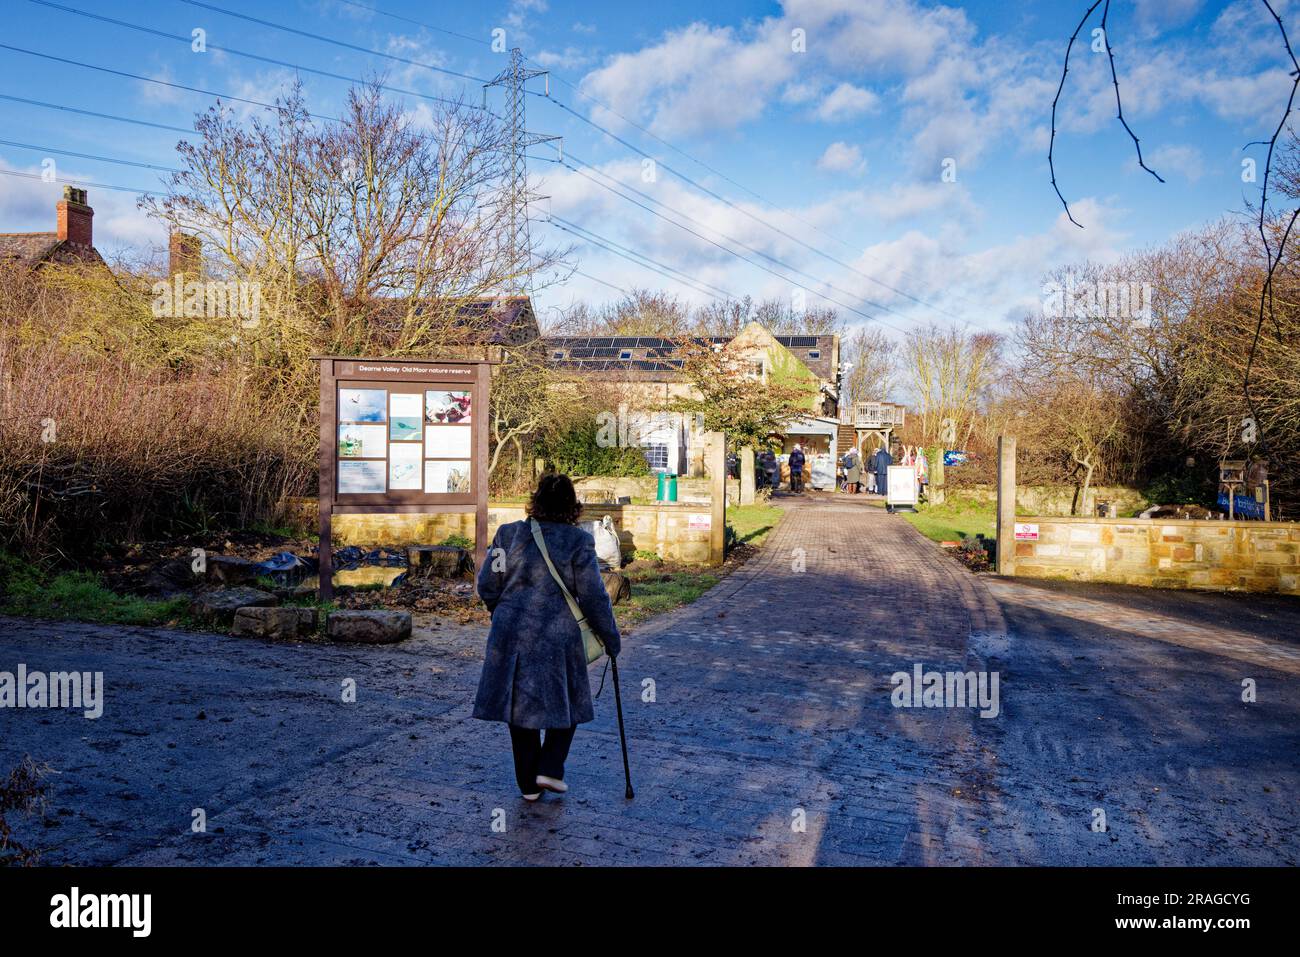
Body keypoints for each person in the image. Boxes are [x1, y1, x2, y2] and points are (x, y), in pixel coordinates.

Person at [473, 473, 621, 801]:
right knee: (568, 699)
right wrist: (611, 638)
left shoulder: (507, 535)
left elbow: (486, 584)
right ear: (572, 506)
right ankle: (551, 767)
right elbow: (594, 597)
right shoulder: (578, 542)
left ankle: (528, 785)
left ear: (536, 500)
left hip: (510, 635)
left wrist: (504, 611)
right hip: (558, 635)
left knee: (518, 706)